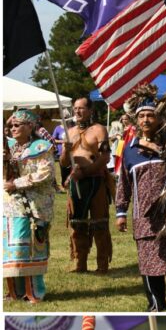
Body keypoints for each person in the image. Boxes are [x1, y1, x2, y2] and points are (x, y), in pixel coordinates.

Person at [115, 84, 166, 312]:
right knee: (149, 262)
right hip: (145, 217)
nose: (145, 120)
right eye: (141, 116)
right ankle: (156, 303)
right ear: (135, 120)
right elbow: (123, 182)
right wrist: (121, 212)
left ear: (159, 118)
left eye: (150, 115)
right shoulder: (130, 150)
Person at [3, 109, 57, 303]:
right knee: (12, 249)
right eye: (11, 126)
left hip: (33, 207)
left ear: (30, 127)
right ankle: (15, 292)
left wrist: (16, 183)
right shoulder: (8, 148)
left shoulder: (40, 146)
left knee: (29, 248)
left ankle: (34, 292)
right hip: (9, 207)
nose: (13, 128)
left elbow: (46, 173)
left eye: (18, 125)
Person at [60, 96, 112, 274]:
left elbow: (105, 157)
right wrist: (66, 151)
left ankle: (102, 264)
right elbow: (63, 162)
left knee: (99, 223)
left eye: (81, 108)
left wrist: (86, 171)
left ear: (90, 110)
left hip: (96, 180)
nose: (77, 111)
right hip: (76, 183)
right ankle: (79, 262)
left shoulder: (99, 129)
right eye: (75, 108)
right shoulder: (70, 131)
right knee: (77, 223)